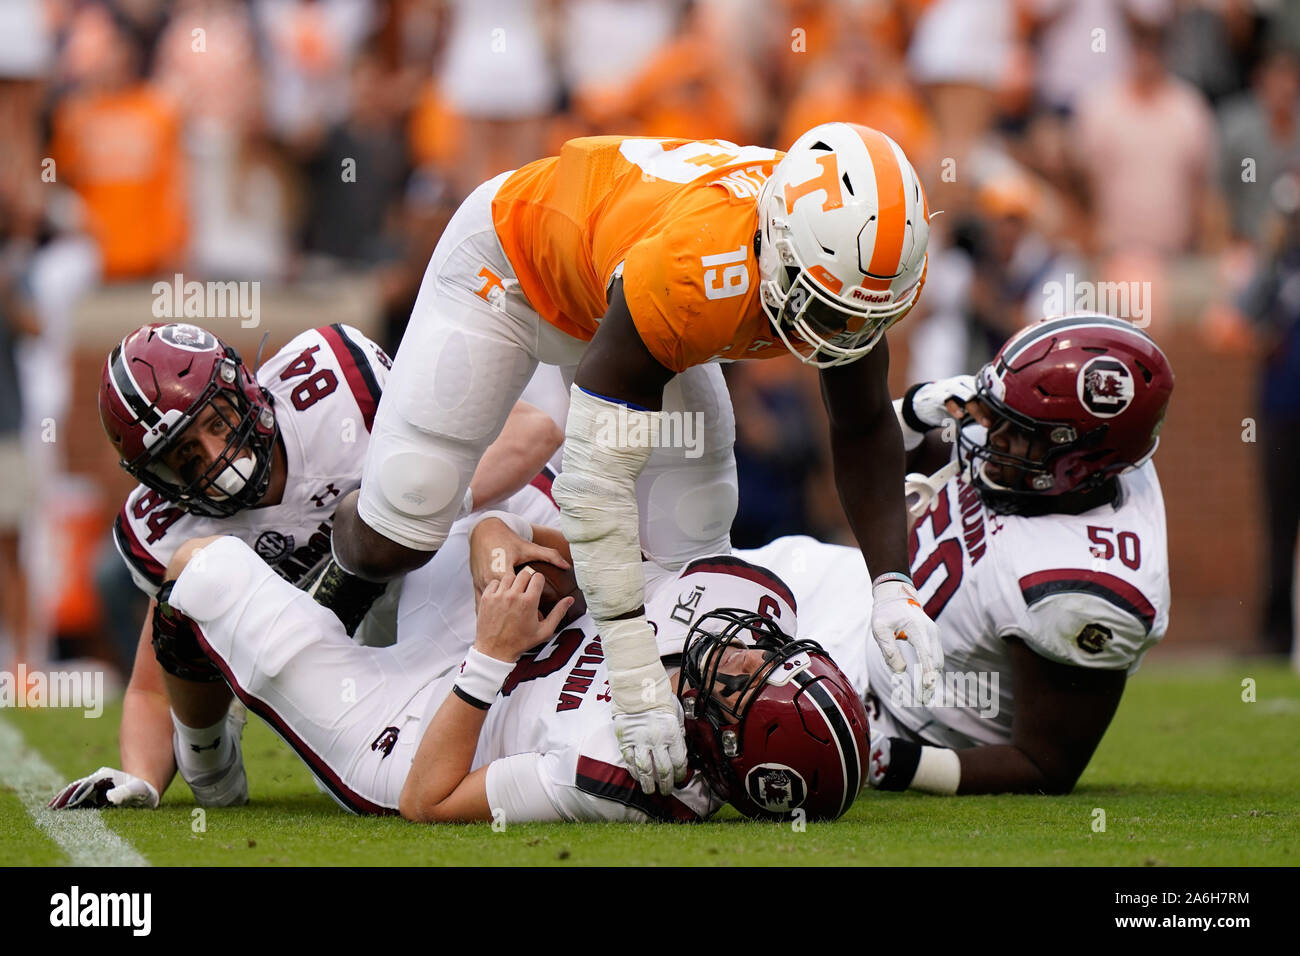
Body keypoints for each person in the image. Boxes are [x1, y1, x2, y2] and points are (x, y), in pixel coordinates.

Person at [328, 122, 942, 797]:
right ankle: (326, 535)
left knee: (692, 543)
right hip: (512, 271)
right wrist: (632, 671)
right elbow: (595, 487)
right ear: (778, 244)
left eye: (856, 318)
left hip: (626, 292)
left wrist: (892, 586)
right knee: (405, 517)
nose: (837, 337)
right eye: (823, 310)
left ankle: (597, 699)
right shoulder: (697, 269)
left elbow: (860, 422)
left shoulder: (843, 268)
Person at [54, 523, 868, 824]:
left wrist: (488, 659)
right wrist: (500, 554)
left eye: (743, 683)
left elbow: (427, 798)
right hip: (491, 628)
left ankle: (208, 773)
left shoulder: (626, 779)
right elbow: (513, 531)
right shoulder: (751, 601)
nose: (741, 652)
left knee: (200, 569)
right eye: (767, 655)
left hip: (418, 726)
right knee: (432, 497)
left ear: (723, 750)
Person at [69, 321, 562, 808]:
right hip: (396, 637)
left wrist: (409, 520)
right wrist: (141, 781)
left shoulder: (333, 386)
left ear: (243, 390)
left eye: (216, 423)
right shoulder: (170, 530)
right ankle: (214, 769)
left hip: (487, 553)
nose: (219, 459)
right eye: (188, 457)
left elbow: (533, 429)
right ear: (158, 477)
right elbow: (153, 689)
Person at [744, 313, 1174, 795]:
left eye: (1018, 433)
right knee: (694, 589)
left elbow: (1046, 764)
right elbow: (875, 451)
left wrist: (887, 761)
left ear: (1082, 463)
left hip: (884, 710)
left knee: (709, 712)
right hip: (862, 595)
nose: (992, 437)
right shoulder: (1025, 420)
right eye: (999, 416)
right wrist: (912, 414)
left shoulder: (1086, 590)